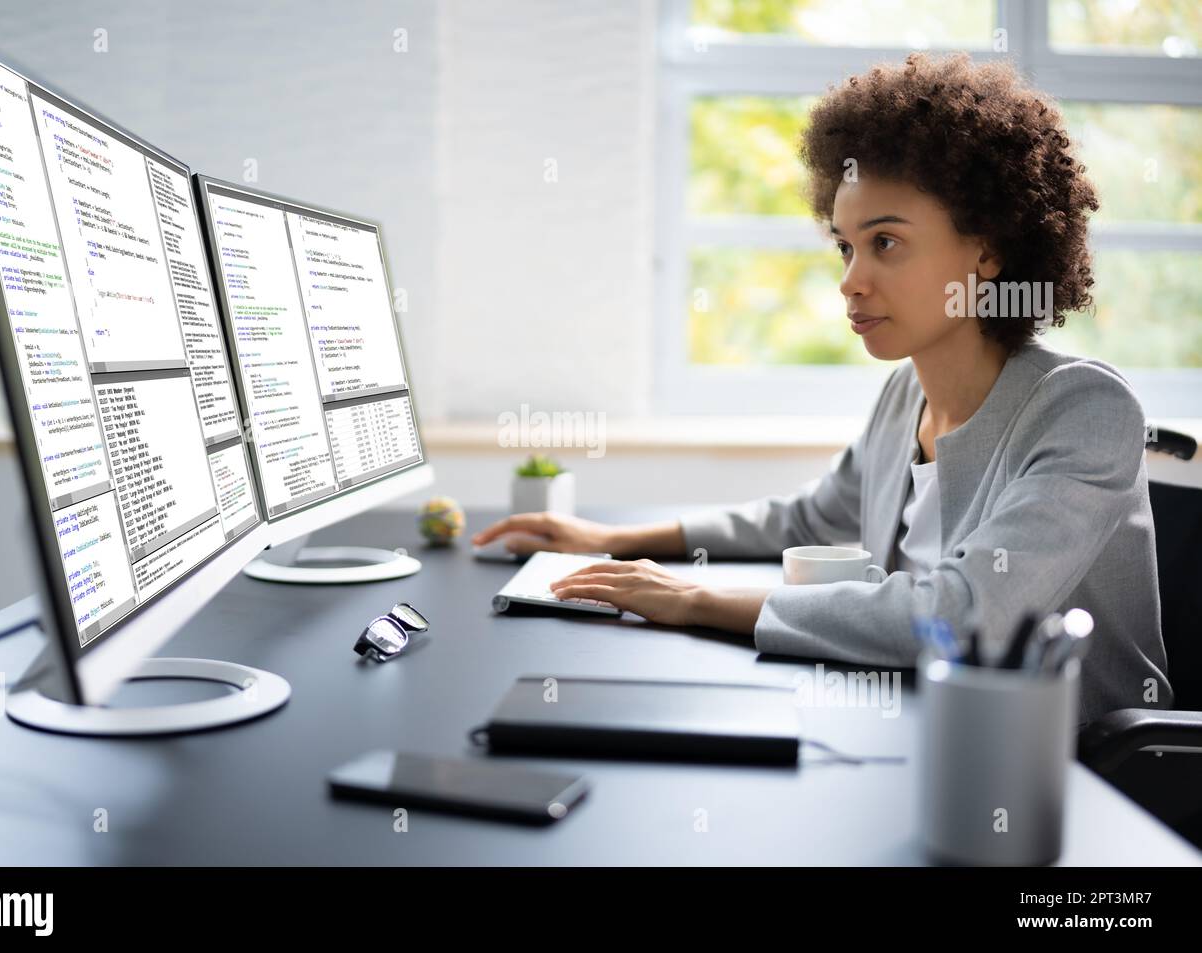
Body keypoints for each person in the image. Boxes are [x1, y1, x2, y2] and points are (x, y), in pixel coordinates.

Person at [471, 53, 1172, 724]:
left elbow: (963, 613)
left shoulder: (1083, 410)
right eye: (845, 246)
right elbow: (808, 521)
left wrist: (696, 599)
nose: (851, 280)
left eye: (886, 243)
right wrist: (615, 538)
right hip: (918, 724)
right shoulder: (907, 396)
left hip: (1063, 774)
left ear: (986, 251)